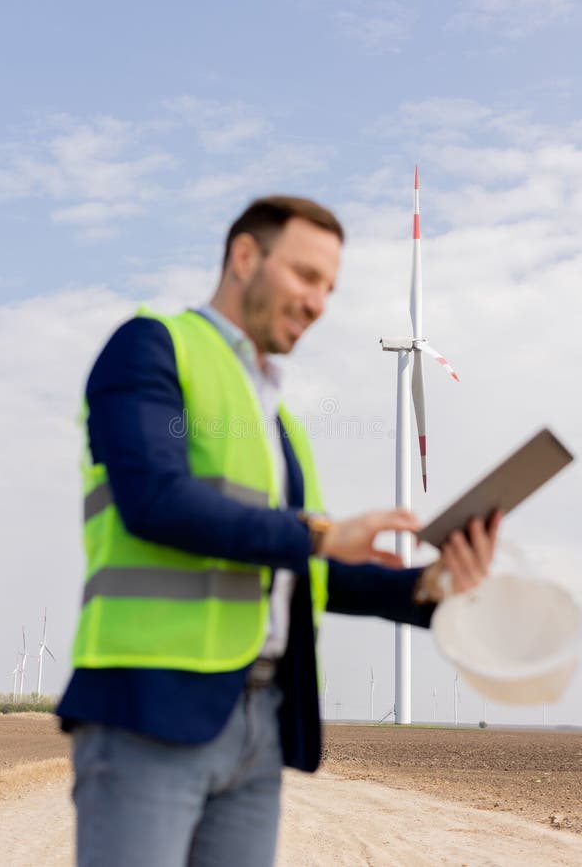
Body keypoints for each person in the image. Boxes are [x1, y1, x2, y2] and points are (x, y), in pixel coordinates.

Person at [57, 195, 501, 867]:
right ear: (244, 256)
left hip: (260, 725)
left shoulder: (282, 426)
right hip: (149, 711)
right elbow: (153, 499)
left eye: (329, 287)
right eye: (306, 275)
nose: (319, 302)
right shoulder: (150, 348)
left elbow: (302, 570)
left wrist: (433, 586)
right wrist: (321, 536)